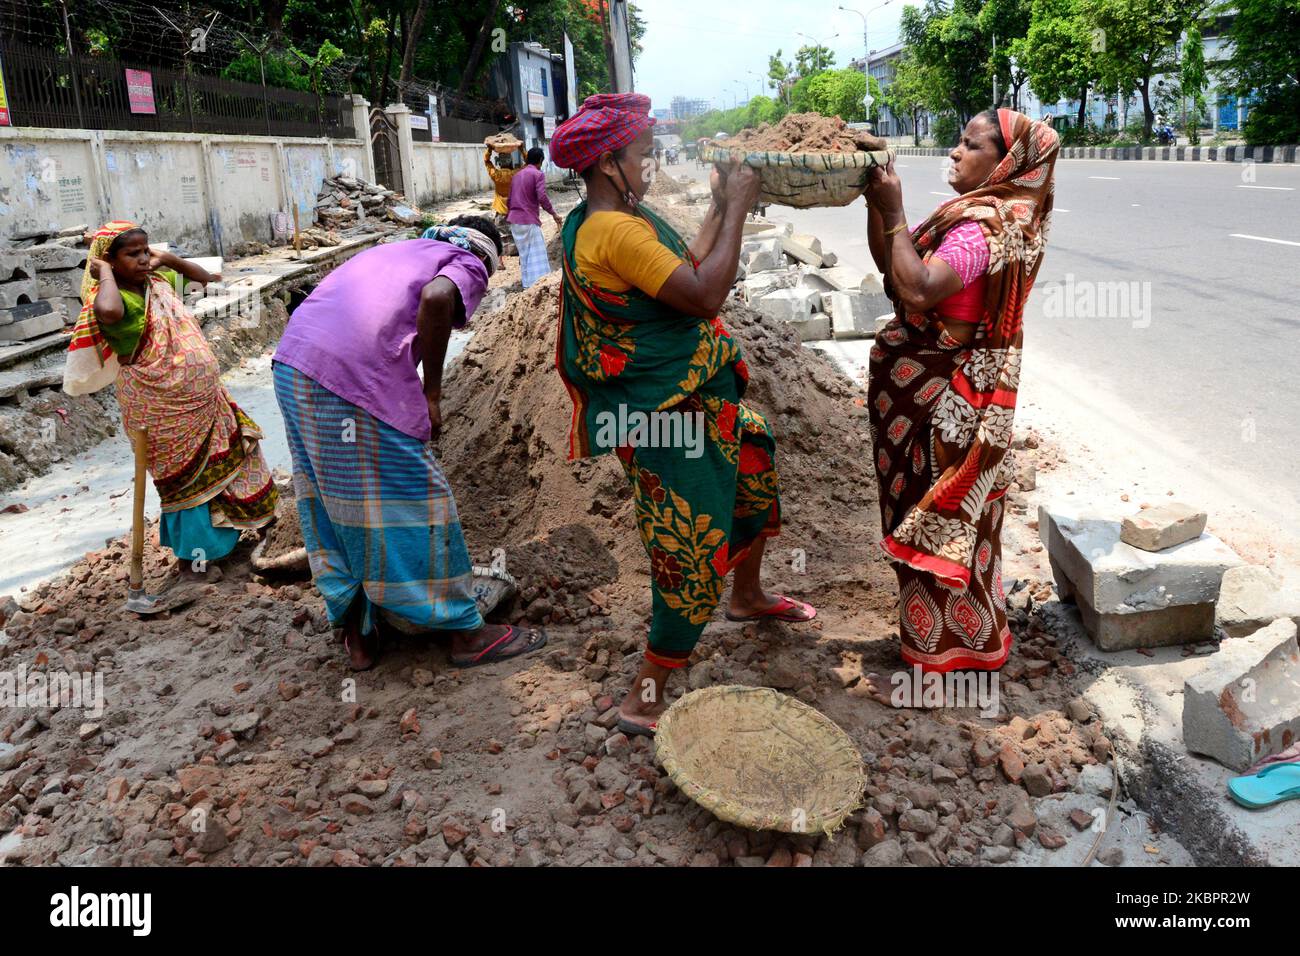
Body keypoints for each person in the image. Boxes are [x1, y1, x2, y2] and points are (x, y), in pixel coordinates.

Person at [549, 93, 816, 736]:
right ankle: (646, 693)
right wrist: (742, 209)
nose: (651, 162)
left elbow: (685, 266)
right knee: (687, 546)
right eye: (643, 153)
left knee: (754, 452)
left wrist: (723, 206)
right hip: (666, 420)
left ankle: (747, 597)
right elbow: (703, 294)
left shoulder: (615, 218)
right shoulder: (613, 230)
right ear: (609, 163)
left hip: (696, 407)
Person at [272, 215, 547, 671]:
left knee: (329, 501)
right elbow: (438, 297)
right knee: (417, 498)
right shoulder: (467, 258)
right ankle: (466, 633)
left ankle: (357, 635)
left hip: (293, 364)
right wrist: (431, 392)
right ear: (485, 255)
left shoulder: (394, 251)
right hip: (352, 379)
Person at [861, 108, 1059, 682]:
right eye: (958, 141)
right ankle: (957, 643)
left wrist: (895, 210)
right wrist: (879, 208)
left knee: (938, 516)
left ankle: (945, 658)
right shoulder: (986, 216)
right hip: (931, 397)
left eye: (969, 145)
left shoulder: (986, 226)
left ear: (1006, 163)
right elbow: (895, 268)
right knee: (950, 520)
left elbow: (918, 291)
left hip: (946, 406)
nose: (954, 151)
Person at [70, 221, 277, 577]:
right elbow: (109, 313)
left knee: (235, 455)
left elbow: (205, 278)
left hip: (207, 401)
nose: (141, 259)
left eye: (144, 250)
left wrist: (169, 258)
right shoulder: (112, 297)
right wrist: (103, 273)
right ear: (108, 260)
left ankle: (256, 526)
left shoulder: (158, 283)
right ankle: (196, 562)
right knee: (184, 481)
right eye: (130, 254)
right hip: (161, 407)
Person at [506, 146, 562, 288]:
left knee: (525, 255)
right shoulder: (538, 174)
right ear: (541, 160)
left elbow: (509, 199)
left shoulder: (517, 175)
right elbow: (542, 197)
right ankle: (537, 286)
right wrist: (554, 214)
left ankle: (527, 285)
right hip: (528, 220)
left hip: (514, 221)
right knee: (537, 255)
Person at [483, 146, 519, 229]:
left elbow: (487, 161)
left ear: (498, 162)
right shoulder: (516, 174)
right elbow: (529, 163)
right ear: (510, 161)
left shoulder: (495, 175)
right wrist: (521, 149)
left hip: (499, 212)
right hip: (514, 212)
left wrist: (489, 150)